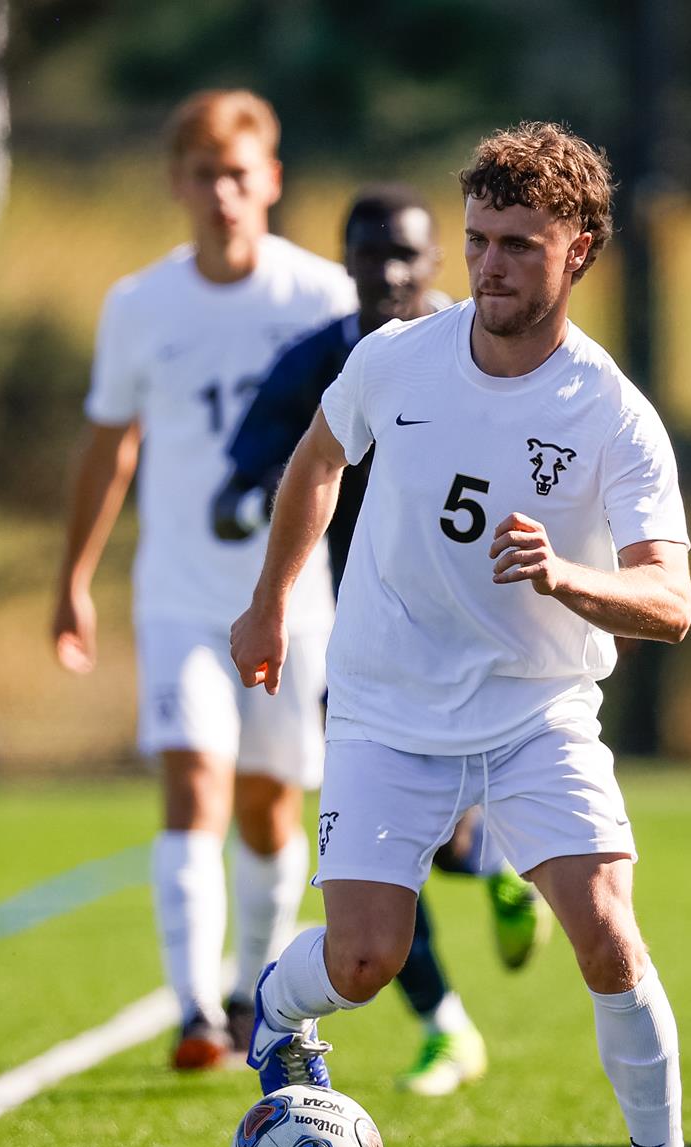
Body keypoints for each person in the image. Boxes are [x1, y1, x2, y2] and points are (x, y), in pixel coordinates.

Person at [228, 122, 691, 1147]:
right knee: (364, 962)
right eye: (478, 239)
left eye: (517, 244)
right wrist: (271, 599)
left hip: (536, 709)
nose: (489, 265)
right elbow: (318, 457)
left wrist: (566, 577)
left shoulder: (612, 417)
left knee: (604, 930)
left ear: (578, 251)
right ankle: (274, 1008)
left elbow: (671, 603)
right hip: (385, 703)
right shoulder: (396, 357)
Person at [211, 185, 548, 1097]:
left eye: (407, 256)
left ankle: (498, 860)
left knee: (437, 844)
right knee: (378, 847)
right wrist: (245, 501)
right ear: (346, 261)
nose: (388, 274)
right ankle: (445, 1022)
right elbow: (254, 464)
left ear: (437, 263)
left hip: (489, 644)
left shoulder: (486, 357)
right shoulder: (330, 361)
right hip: (369, 650)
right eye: (370, 257)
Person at [51, 89, 353, 1071]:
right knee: (192, 788)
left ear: (269, 181)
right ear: (176, 184)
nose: (222, 193)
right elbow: (110, 448)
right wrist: (75, 577)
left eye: (238, 175)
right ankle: (191, 1011)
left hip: (292, 600)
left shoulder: (322, 300)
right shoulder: (140, 304)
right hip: (179, 598)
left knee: (271, 806)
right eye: (202, 176)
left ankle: (249, 994)